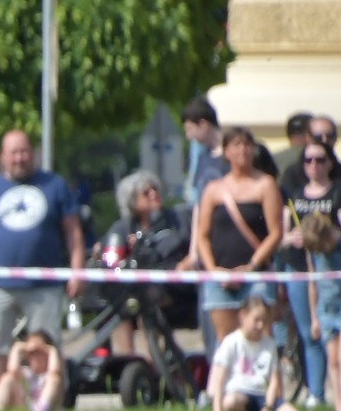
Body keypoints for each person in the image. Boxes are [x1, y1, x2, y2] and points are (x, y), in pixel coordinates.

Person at [0, 129, 82, 410]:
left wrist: (76, 270)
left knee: (46, 351)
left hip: (43, 284)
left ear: (33, 154)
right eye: (13, 152)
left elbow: (72, 231)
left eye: (24, 151)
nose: (19, 158)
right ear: (3, 157)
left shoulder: (55, 185)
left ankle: (48, 408)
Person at [193, 126, 284, 351]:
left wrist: (251, 266)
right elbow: (202, 235)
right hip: (221, 276)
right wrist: (213, 269)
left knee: (260, 339)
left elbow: (275, 233)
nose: (242, 149)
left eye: (247, 144)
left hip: (255, 276)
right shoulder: (214, 189)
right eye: (236, 144)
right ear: (226, 152)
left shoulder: (265, 184)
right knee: (225, 343)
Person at [280, 140, 337, 408]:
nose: (314, 165)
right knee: (310, 333)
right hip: (300, 268)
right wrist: (290, 238)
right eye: (308, 160)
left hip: (330, 267)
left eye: (320, 159)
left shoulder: (337, 193)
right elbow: (280, 235)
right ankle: (316, 392)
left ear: (330, 162)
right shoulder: (293, 194)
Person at [103, 169, 181, 356]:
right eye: (146, 193)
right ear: (131, 201)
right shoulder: (122, 228)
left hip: (169, 292)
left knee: (148, 310)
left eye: (155, 189)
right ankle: (128, 363)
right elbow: (110, 260)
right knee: (119, 314)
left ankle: (155, 364)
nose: (154, 194)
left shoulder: (173, 222)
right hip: (130, 293)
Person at [211, 296, 297, 411]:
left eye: (264, 321)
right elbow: (219, 381)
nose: (260, 325)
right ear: (243, 316)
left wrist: (268, 406)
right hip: (240, 392)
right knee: (230, 402)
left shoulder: (269, 344)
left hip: (262, 395)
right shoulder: (230, 342)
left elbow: (274, 380)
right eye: (256, 320)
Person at [303, 210, 341, 409]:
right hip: (326, 310)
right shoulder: (314, 251)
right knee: (333, 361)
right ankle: (338, 407)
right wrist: (314, 317)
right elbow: (313, 283)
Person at [0, 329, 65, 411]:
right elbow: (12, 371)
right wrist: (17, 347)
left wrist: (51, 350)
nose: (35, 357)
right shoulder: (25, 372)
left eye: (39, 352)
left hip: (45, 409)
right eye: (31, 353)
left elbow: (55, 371)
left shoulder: (49, 375)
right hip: (23, 407)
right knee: (7, 378)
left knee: (54, 379)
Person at [182, 98, 228, 207]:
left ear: (203, 125)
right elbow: (198, 201)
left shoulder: (232, 155)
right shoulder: (202, 157)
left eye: (190, 129)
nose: (188, 136)